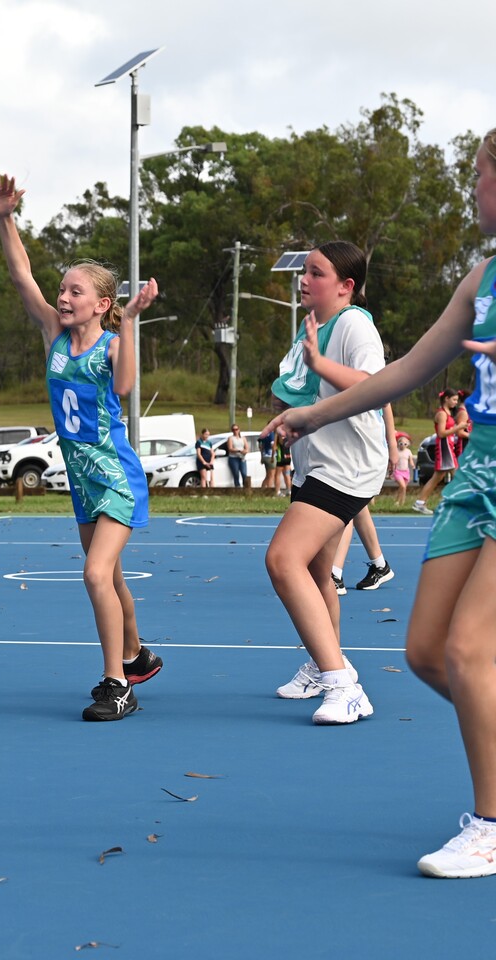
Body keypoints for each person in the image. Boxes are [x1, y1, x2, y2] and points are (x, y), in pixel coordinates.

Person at [268, 128, 496, 878]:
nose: (472, 190)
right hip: (479, 476)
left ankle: (491, 824)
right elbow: (403, 372)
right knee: (429, 652)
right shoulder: (483, 274)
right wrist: (310, 414)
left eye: (479, 176)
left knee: (471, 651)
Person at [0, 173, 162, 722]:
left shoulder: (110, 346)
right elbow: (21, 276)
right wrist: (5, 217)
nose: (62, 297)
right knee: (109, 576)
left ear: (101, 304)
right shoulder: (55, 337)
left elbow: (128, 386)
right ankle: (137, 656)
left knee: (94, 575)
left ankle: (117, 684)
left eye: (75, 292)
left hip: (115, 475)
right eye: (62, 289)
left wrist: (130, 324)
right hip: (81, 478)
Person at [265, 240, 388, 724]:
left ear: (345, 286)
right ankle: (323, 665)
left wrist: (320, 367)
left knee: (281, 559)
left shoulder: (355, 323)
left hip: (347, 465)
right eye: (305, 272)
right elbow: (300, 389)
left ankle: (343, 685)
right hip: (315, 462)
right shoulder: (309, 326)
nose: (304, 279)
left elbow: (374, 385)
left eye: (316, 273)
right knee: (319, 574)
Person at [331, 405, 398, 593]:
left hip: (364, 448)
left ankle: (335, 572)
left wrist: (393, 445)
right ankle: (379, 564)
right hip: (345, 445)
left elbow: (386, 404)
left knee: (346, 502)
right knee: (356, 506)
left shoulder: (366, 377)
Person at [412, 388, 462, 515]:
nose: (456, 402)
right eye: (454, 399)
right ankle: (459, 504)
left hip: (448, 447)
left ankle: (420, 502)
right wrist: (458, 428)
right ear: (446, 399)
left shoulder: (447, 413)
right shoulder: (442, 414)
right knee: (457, 476)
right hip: (444, 448)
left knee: (439, 477)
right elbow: (441, 433)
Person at [392, 434, 415, 507]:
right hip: (397, 471)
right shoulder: (396, 451)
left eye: (405, 444)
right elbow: (393, 460)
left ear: (408, 444)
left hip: (406, 471)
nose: (403, 445)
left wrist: (413, 465)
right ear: (398, 443)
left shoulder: (408, 451)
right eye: (401, 443)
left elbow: (410, 460)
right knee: (403, 486)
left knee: (403, 488)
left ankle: (400, 502)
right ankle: (398, 502)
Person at [454, 389, 473, 457]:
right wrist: (473, 436)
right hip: (463, 444)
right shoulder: (463, 413)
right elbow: (460, 432)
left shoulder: (464, 411)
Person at [273, 432, 292, 496]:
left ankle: (278, 491)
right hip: (288, 457)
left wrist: (272, 457)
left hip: (280, 458)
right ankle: (289, 490)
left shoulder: (278, 434)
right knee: (287, 475)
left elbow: (274, 447)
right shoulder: (288, 434)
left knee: (277, 475)